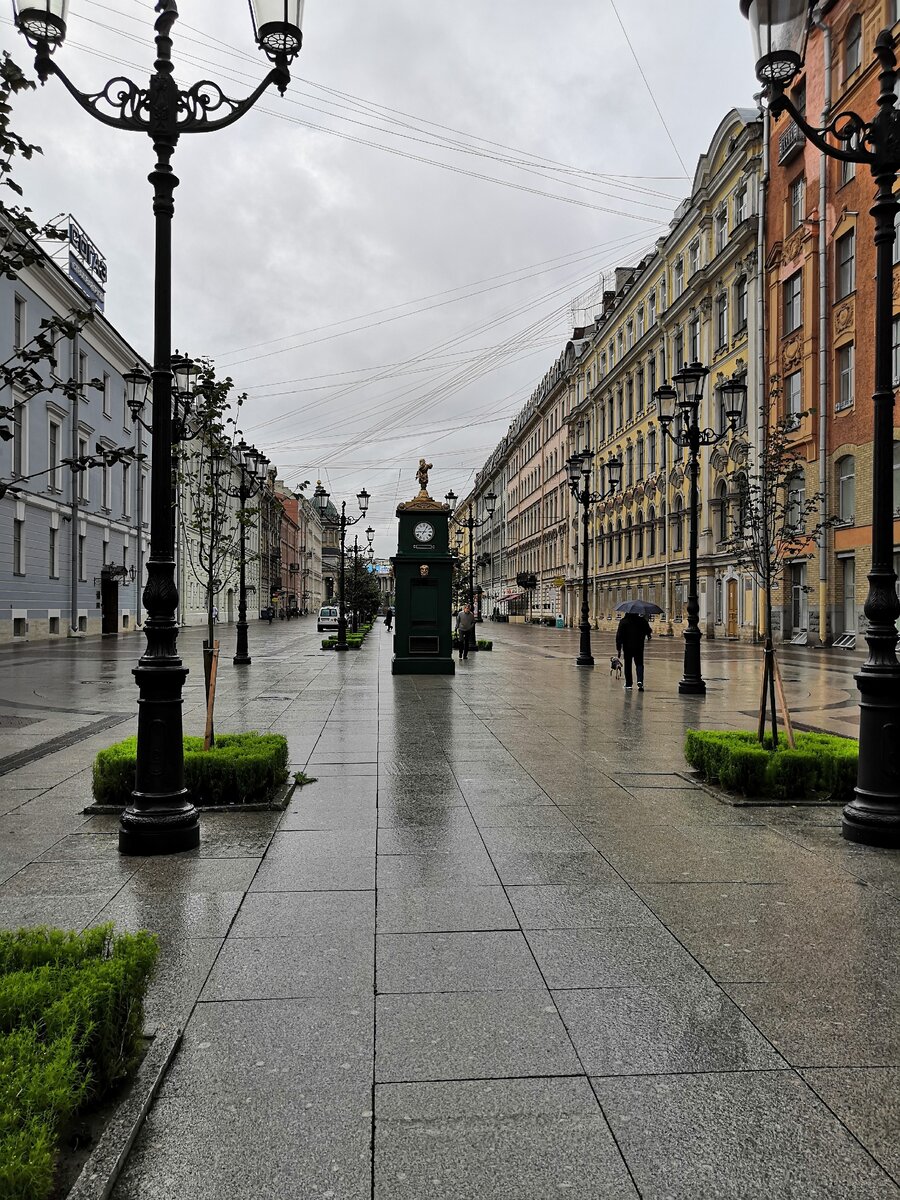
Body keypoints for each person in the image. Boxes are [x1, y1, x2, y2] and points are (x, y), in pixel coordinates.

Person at [615, 611, 652, 691]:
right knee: (639, 664)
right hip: (639, 646)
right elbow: (649, 631)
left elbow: (619, 636)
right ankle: (640, 681)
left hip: (627, 647)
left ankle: (628, 684)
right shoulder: (642, 621)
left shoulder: (623, 621)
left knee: (628, 664)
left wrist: (618, 648)